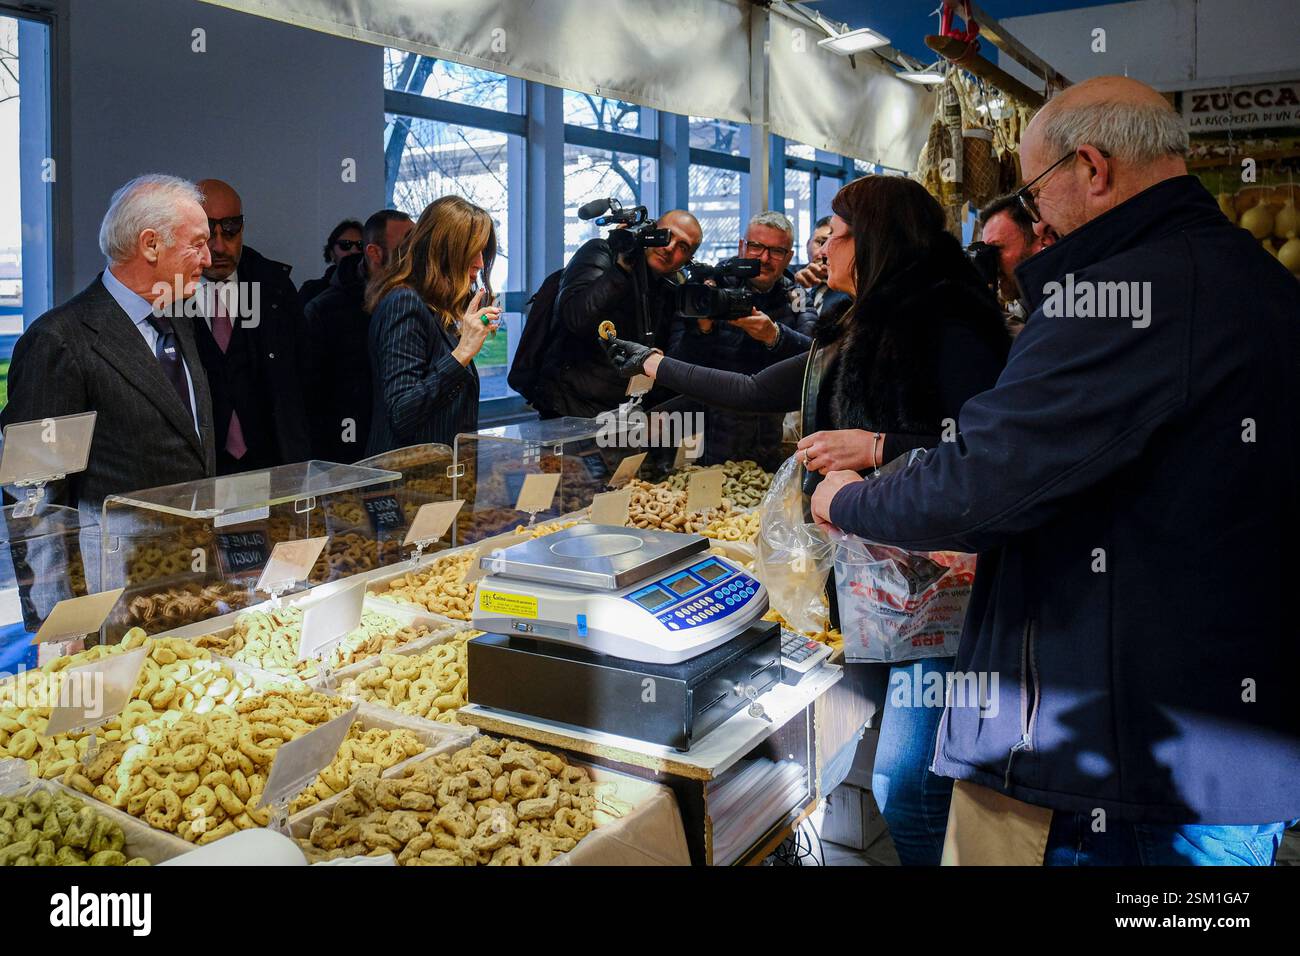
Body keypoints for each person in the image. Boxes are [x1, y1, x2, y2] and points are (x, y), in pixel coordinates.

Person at [811, 76, 1300, 866]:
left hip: (1123, 768)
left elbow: (982, 480)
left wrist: (851, 500)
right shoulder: (1253, 278)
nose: (1036, 219)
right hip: (1216, 744)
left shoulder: (1121, 295)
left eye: (1037, 191)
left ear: (1093, 168)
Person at [603, 175, 1010, 864]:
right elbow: (757, 389)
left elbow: (993, 454)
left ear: (877, 240)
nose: (827, 243)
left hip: (939, 589)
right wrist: (653, 362)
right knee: (841, 743)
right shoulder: (856, 321)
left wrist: (882, 447)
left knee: (907, 784)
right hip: (866, 582)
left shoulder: (948, 321)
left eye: (839, 231)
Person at [1, 173, 217, 548]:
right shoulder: (59, 341)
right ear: (150, 245)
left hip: (187, 570)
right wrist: (55, 607)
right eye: (197, 244)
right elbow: (34, 504)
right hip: (113, 585)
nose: (208, 258)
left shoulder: (179, 319)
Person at [665, 211, 817, 467]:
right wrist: (702, 329)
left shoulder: (795, 296)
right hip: (704, 436)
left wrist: (775, 336)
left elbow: (813, 358)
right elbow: (675, 365)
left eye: (776, 251)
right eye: (756, 247)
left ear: (789, 257)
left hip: (765, 437)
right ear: (741, 246)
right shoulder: (708, 288)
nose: (764, 258)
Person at [365, 196, 501, 455]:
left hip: (439, 478)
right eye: (473, 251)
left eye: (483, 251)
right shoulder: (404, 302)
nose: (480, 263)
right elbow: (402, 413)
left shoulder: (437, 308)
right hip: (407, 483)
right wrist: (462, 353)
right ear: (444, 250)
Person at [534, 210, 701, 419]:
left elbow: (674, 358)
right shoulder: (603, 253)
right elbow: (575, 319)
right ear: (649, 231)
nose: (668, 248)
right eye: (665, 235)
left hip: (624, 412)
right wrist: (621, 270)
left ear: (687, 260)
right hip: (571, 408)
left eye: (682, 247)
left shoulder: (672, 287)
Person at [195, 179, 311, 474]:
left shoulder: (275, 288)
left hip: (271, 460)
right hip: (199, 465)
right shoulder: (168, 295)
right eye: (208, 233)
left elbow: (305, 377)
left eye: (231, 230)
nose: (219, 246)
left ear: (242, 229)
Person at [303, 209, 414, 462]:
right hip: (347, 452)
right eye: (406, 246)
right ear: (374, 253)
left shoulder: (415, 299)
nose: (414, 253)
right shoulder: (323, 309)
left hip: (401, 445)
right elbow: (310, 394)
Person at [976, 193, 1057, 334]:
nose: (990, 262)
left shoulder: (1070, 305)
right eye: (987, 252)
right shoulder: (1026, 308)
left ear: (1044, 243)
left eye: (996, 249)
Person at [297, 218, 364, 309]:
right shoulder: (312, 290)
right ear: (332, 253)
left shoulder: (375, 290)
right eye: (345, 245)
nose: (354, 250)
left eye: (360, 245)